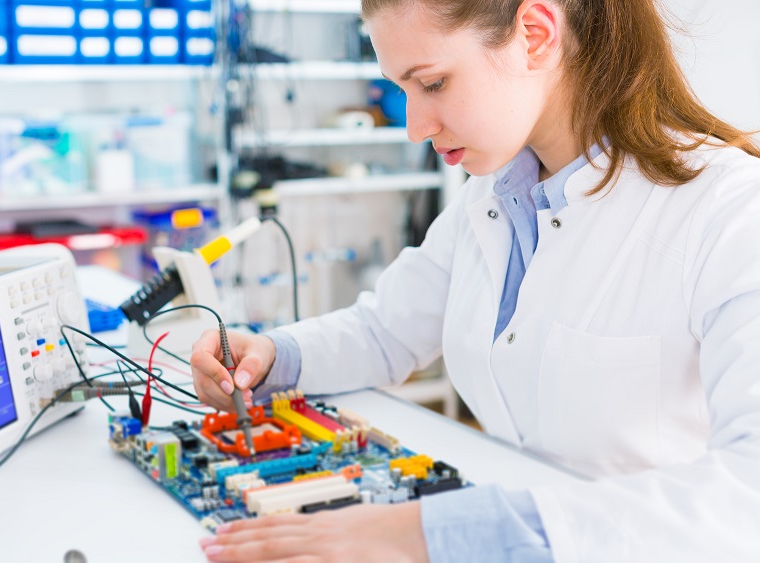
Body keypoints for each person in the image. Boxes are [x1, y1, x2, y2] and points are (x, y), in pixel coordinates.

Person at [191, 0, 760, 561]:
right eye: (401, 89)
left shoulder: (730, 208)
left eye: (433, 83)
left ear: (535, 35)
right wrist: (272, 357)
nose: (416, 127)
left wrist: (432, 533)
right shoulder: (491, 196)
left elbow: (748, 490)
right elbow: (386, 331)